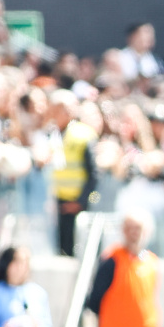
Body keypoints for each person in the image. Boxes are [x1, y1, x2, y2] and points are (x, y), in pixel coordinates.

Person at [49, 88, 98, 256]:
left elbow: (94, 173)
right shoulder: (52, 134)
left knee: (77, 247)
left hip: (76, 204)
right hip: (57, 202)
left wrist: (81, 201)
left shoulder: (83, 135)